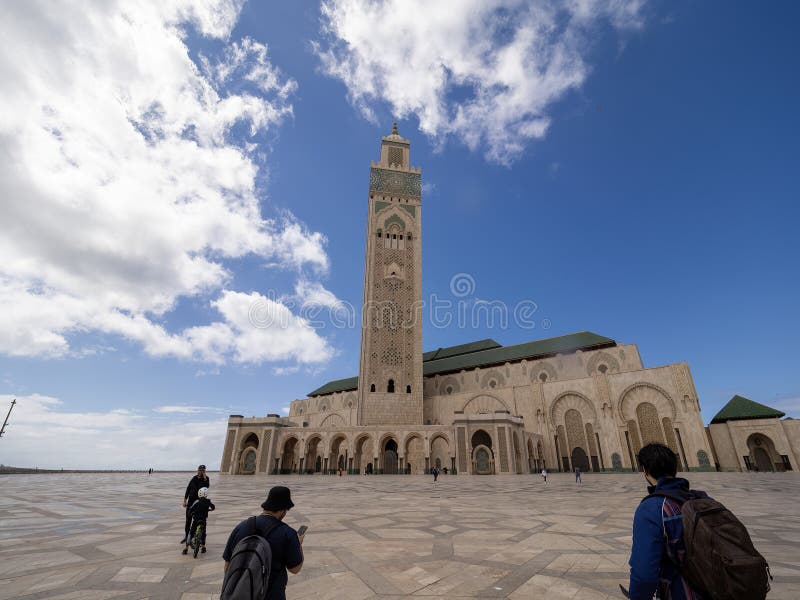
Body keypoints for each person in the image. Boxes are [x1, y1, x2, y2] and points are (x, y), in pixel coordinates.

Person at [628, 443, 706, 600]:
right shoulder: (703, 500)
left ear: (645, 471)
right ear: (675, 469)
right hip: (719, 588)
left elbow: (644, 575)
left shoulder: (652, 507)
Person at [223, 486, 304, 600]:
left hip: (239, 594)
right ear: (283, 509)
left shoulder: (241, 527)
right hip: (272, 595)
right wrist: (299, 543)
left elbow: (227, 566)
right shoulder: (287, 533)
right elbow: (295, 569)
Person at [182, 464, 210, 543]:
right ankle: (186, 536)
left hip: (199, 503)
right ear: (197, 470)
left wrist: (204, 478)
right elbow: (188, 488)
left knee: (197, 520)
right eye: (199, 470)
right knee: (188, 520)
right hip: (190, 502)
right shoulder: (194, 478)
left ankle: (196, 536)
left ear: (204, 471)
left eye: (202, 470)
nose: (200, 472)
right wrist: (185, 500)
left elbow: (207, 487)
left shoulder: (206, 479)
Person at [183, 487, 215, 555]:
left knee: (191, 533)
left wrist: (190, 513)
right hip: (203, 520)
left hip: (196, 520)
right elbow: (213, 507)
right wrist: (210, 509)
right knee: (203, 533)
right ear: (206, 495)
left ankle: (186, 549)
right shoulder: (208, 501)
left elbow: (191, 509)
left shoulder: (196, 502)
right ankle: (203, 547)